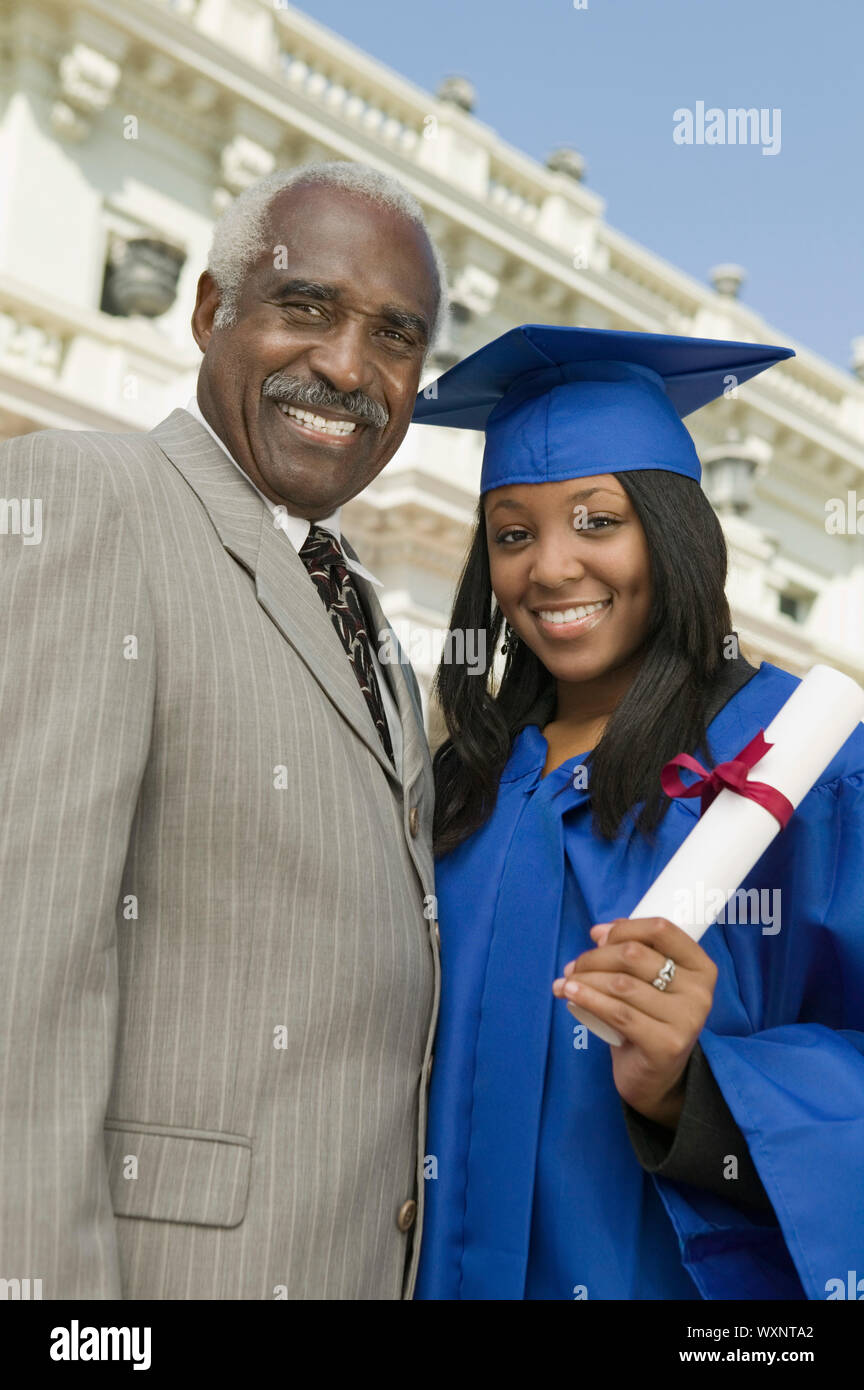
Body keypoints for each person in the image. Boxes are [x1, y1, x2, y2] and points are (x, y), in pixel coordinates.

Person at [0, 161, 447, 1300]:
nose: (347, 367)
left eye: (394, 337)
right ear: (211, 313)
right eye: (306, 308)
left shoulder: (370, 627)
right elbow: (22, 983)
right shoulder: (93, 498)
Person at [410, 323, 864, 1301]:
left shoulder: (806, 764)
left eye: (598, 520)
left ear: (674, 530)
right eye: (513, 533)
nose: (553, 569)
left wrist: (694, 1091)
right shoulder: (460, 786)